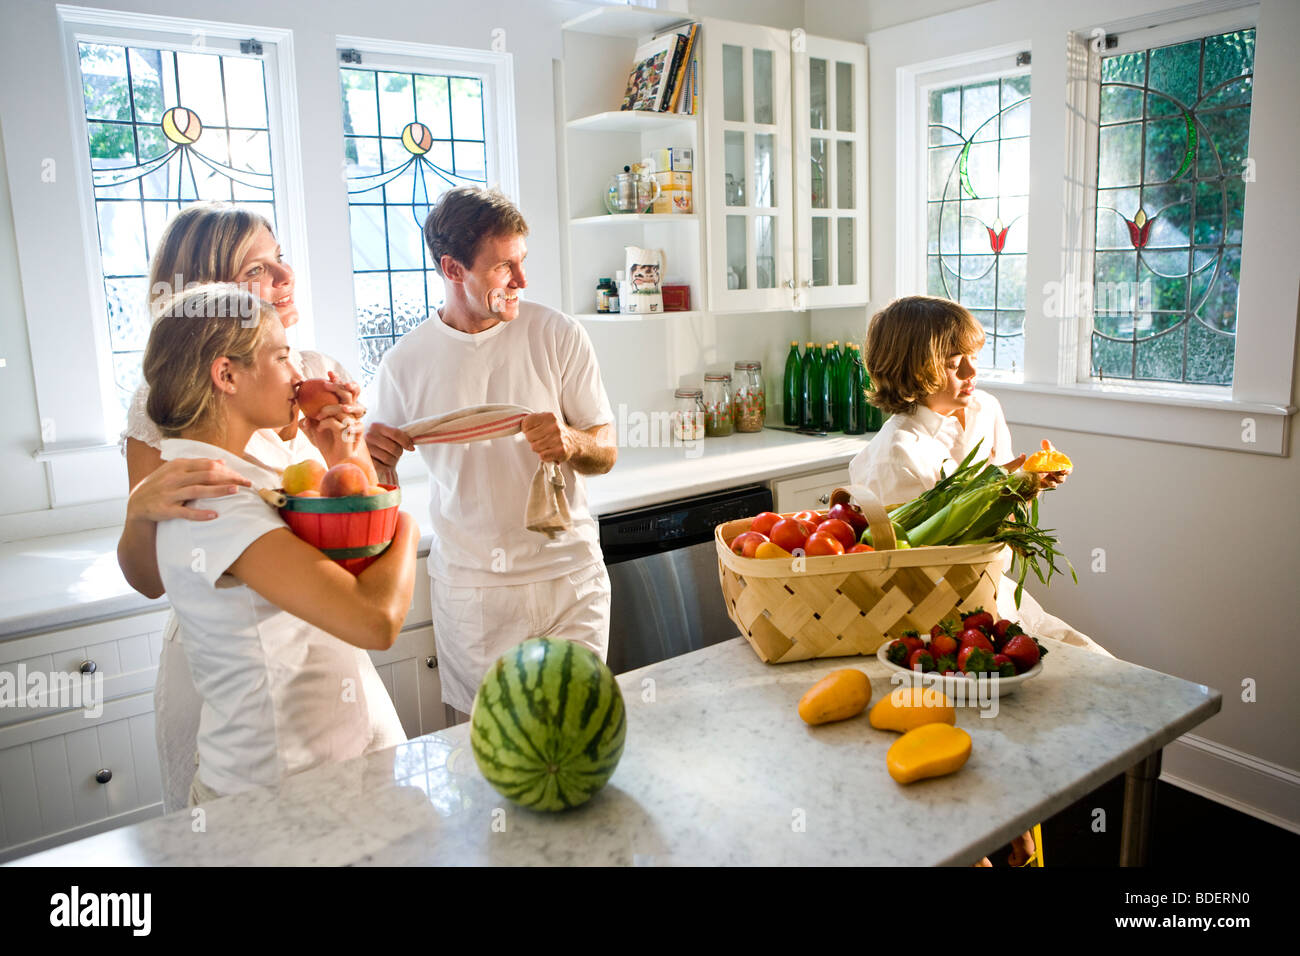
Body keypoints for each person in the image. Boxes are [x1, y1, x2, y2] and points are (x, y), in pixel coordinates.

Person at [117, 203, 365, 812]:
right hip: (227, 662)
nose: (285, 278)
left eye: (281, 258)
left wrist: (356, 457)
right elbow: (151, 580)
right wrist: (138, 514)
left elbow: (355, 530)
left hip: (322, 635)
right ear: (208, 296)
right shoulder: (163, 403)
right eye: (260, 267)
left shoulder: (312, 371)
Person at [849, 295, 1109, 866]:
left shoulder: (984, 406)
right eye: (951, 360)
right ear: (911, 368)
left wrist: (1028, 479)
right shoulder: (897, 452)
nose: (971, 372)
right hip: (934, 613)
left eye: (972, 355)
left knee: (1093, 676)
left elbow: (999, 499)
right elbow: (933, 560)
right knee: (986, 734)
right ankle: (983, 845)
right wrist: (1011, 490)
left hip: (994, 591)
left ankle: (1019, 838)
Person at [142, 283, 416, 804]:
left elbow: (351, 564)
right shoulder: (219, 500)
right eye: (283, 357)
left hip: (307, 781)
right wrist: (407, 524)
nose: (298, 377)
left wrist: (343, 457)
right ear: (226, 375)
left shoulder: (229, 478)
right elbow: (375, 620)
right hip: (278, 798)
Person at [365, 187, 616, 725]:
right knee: (488, 759)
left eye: (522, 262)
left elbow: (606, 452)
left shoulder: (557, 334)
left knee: (580, 735)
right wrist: (370, 459)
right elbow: (372, 489)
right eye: (505, 267)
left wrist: (573, 442)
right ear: (453, 269)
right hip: (475, 595)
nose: (522, 282)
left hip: (568, 579)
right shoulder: (403, 364)